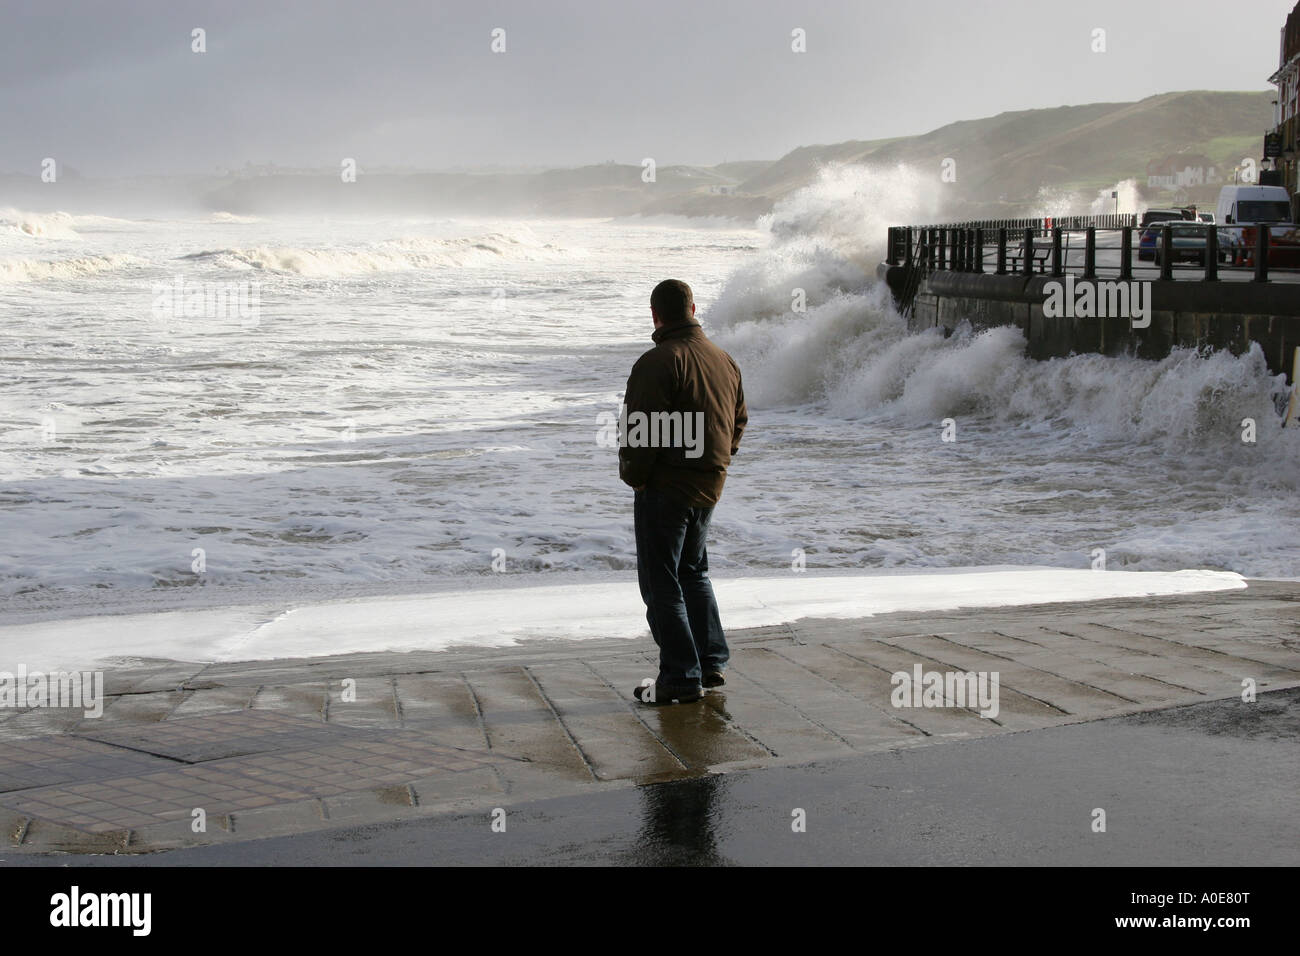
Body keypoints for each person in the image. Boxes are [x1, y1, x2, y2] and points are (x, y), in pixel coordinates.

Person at [619, 279, 747, 705]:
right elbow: (739, 419)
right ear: (693, 308)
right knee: (694, 572)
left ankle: (680, 677)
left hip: (666, 486)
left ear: (655, 315)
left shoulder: (657, 361)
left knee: (662, 584)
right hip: (709, 483)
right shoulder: (723, 360)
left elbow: (640, 432)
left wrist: (634, 475)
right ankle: (710, 662)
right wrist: (718, 463)